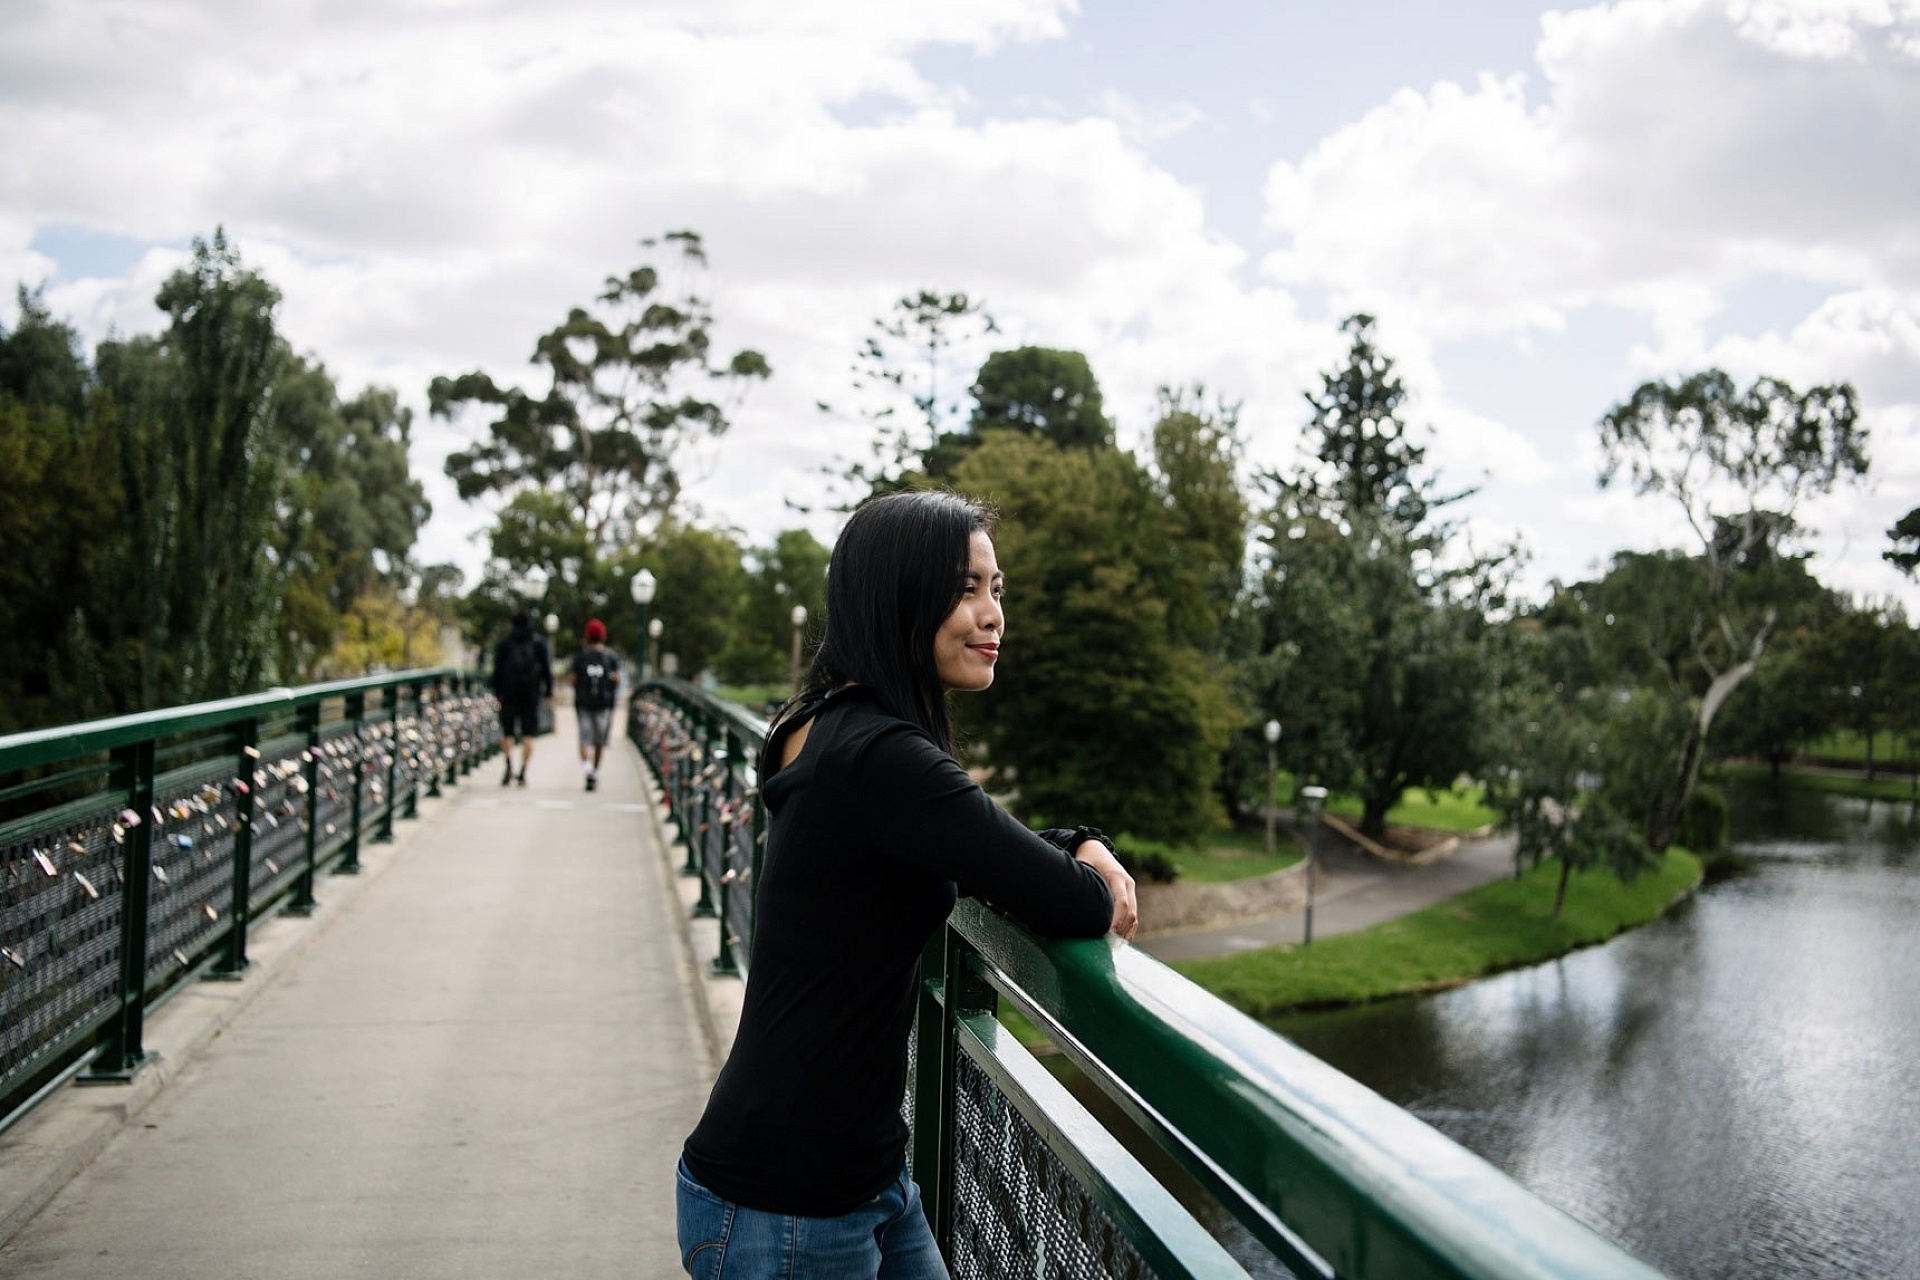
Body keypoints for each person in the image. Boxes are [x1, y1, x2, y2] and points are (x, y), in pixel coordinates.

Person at [676, 490, 1137, 1280]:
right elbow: (1075, 900)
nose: (993, 615)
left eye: (997, 589)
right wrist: (1091, 856)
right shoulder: (886, 760)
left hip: (861, 1179)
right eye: (965, 588)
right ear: (896, 592)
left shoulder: (824, 723)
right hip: (786, 1211)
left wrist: (1074, 841)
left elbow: (976, 844)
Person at [490, 609, 552, 786]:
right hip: (531, 693)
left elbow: (497, 671)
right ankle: (523, 772)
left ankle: (509, 765)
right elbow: (546, 669)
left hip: (509, 693)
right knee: (528, 734)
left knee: (507, 732)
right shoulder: (538, 642)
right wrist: (548, 692)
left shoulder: (505, 643)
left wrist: (497, 693)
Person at [570, 618, 621, 791]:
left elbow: (572, 679)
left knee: (584, 739)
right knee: (599, 741)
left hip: (583, 704)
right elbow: (617, 680)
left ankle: (587, 770)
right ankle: (595, 772)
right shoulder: (611, 657)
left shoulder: (581, 657)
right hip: (603, 704)